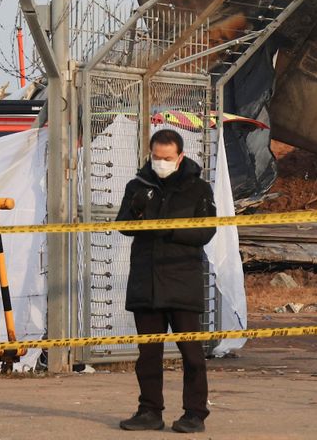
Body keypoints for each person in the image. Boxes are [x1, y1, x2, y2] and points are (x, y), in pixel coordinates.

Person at [116, 128, 216, 433]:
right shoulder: (138, 185)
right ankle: (149, 411)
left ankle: (195, 414)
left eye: (167, 158)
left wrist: (170, 228)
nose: (161, 162)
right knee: (148, 355)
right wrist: (136, 211)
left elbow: (206, 230)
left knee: (192, 355)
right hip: (146, 282)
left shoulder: (198, 189)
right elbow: (123, 225)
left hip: (182, 281)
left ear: (180, 156)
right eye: (156, 157)